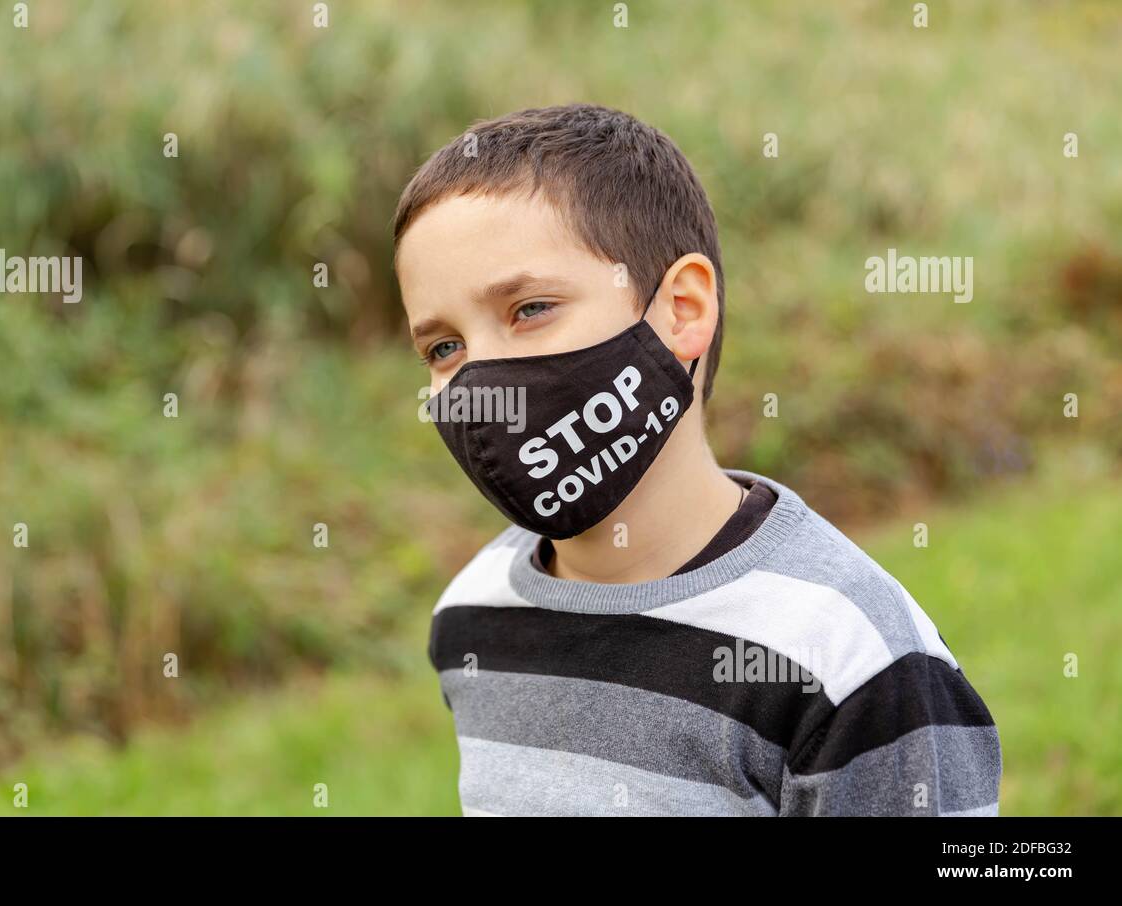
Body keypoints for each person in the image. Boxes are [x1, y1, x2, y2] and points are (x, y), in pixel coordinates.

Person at [392, 103, 1001, 816]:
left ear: (680, 309)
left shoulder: (853, 658)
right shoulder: (472, 616)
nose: (481, 384)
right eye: (443, 348)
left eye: (530, 309)